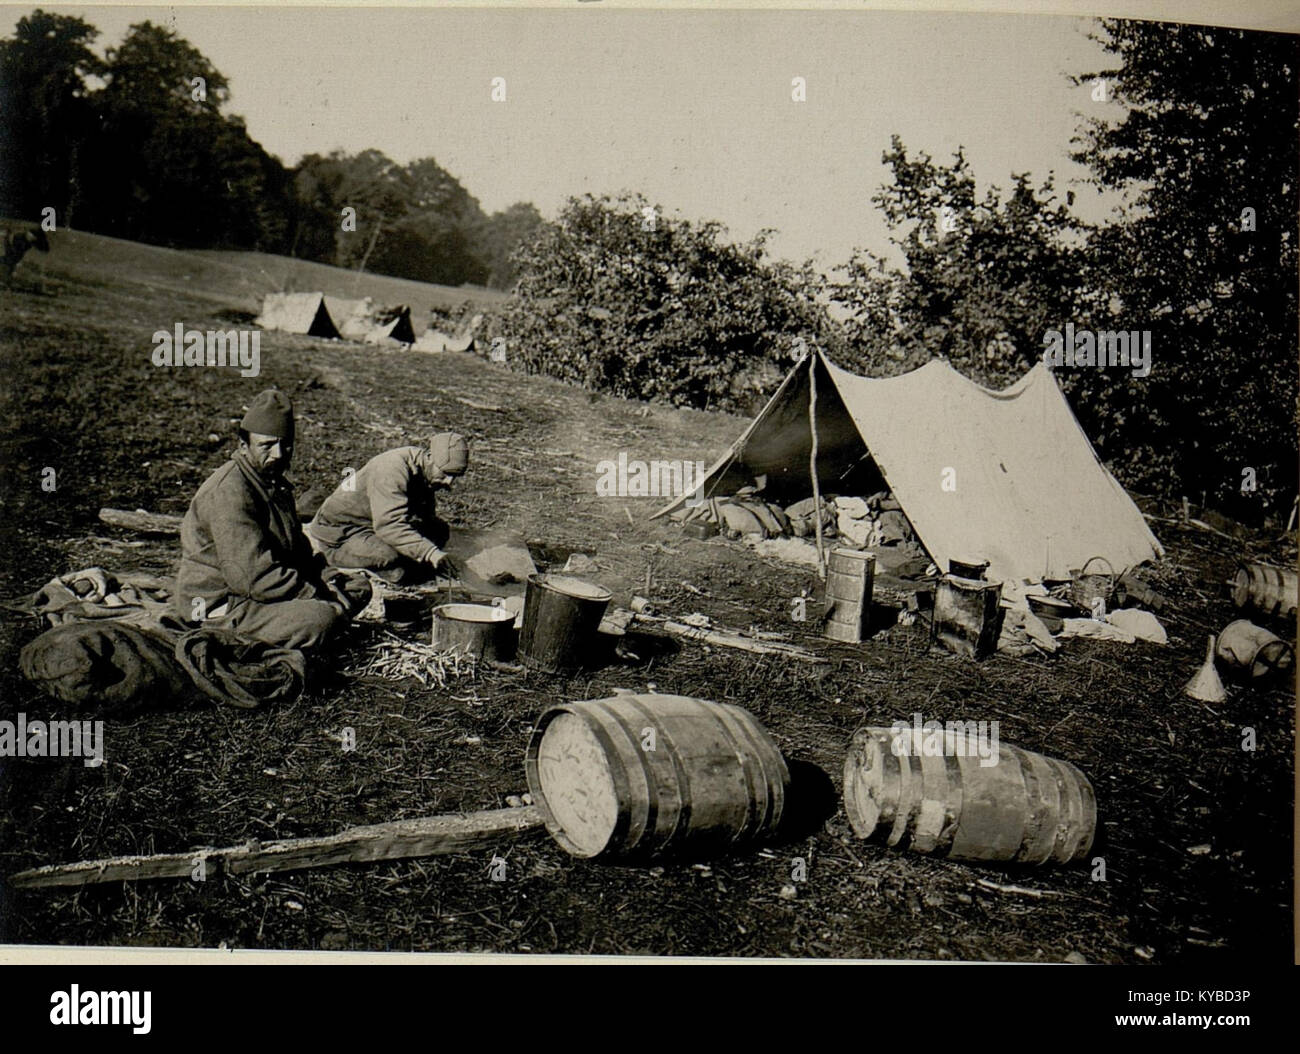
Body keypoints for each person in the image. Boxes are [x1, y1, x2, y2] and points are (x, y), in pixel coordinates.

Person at [175, 390, 364, 650]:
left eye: (285, 445)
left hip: (263, 590)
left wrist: (330, 581)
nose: (278, 454)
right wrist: (318, 597)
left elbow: (299, 552)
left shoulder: (273, 484)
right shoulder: (230, 492)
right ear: (243, 446)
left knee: (358, 587)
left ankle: (316, 621)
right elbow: (252, 578)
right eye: (266, 445)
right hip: (224, 602)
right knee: (321, 618)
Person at [307, 433, 469, 584]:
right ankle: (335, 556)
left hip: (375, 521)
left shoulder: (425, 467)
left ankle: (398, 562)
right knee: (389, 557)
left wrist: (430, 547)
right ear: (429, 457)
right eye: (446, 473)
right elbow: (389, 526)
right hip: (342, 531)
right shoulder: (392, 469)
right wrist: (431, 554)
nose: (449, 482)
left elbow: (423, 516)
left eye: (455, 476)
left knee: (438, 531)